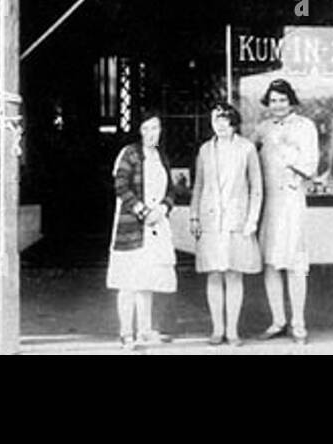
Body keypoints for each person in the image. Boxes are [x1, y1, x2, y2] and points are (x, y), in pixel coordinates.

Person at [190, 102, 262, 346]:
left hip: (237, 220)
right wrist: (194, 216)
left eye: (224, 120)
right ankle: (217, 329)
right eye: (215, 120)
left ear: (233, 123)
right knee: (213, 274)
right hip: (211, 220)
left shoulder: (247, 149)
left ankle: (232, 330)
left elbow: (257, 188)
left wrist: (251, 220)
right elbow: (198, 185)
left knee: (233, 274)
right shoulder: (205, 150)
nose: (220, 125)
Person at [107, 111, 178, 349]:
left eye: (155, 128)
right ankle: (126, 332)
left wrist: (162, 210)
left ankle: (144, 331)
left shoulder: (162, 156)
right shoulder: (129, 153)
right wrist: (142, 211)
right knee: (128, 283)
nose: (151, 133)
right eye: (146, 129)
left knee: (147, 281)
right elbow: (121, 186)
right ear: (139, 131)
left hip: (156, 227)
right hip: (132, 228)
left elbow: (171, 191)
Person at [255, 78, 319, 344]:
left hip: (292, 201)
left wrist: (286, 151)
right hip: (269, 203)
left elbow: (311, 164)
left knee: (294, 264)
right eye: (273, 101)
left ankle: (298, 323)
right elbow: (251, 160)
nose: (277, 105)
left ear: (291, 100)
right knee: (270, 263)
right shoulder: (261, 129)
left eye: (282, 100)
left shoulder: (305, 127)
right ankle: (278, 319)